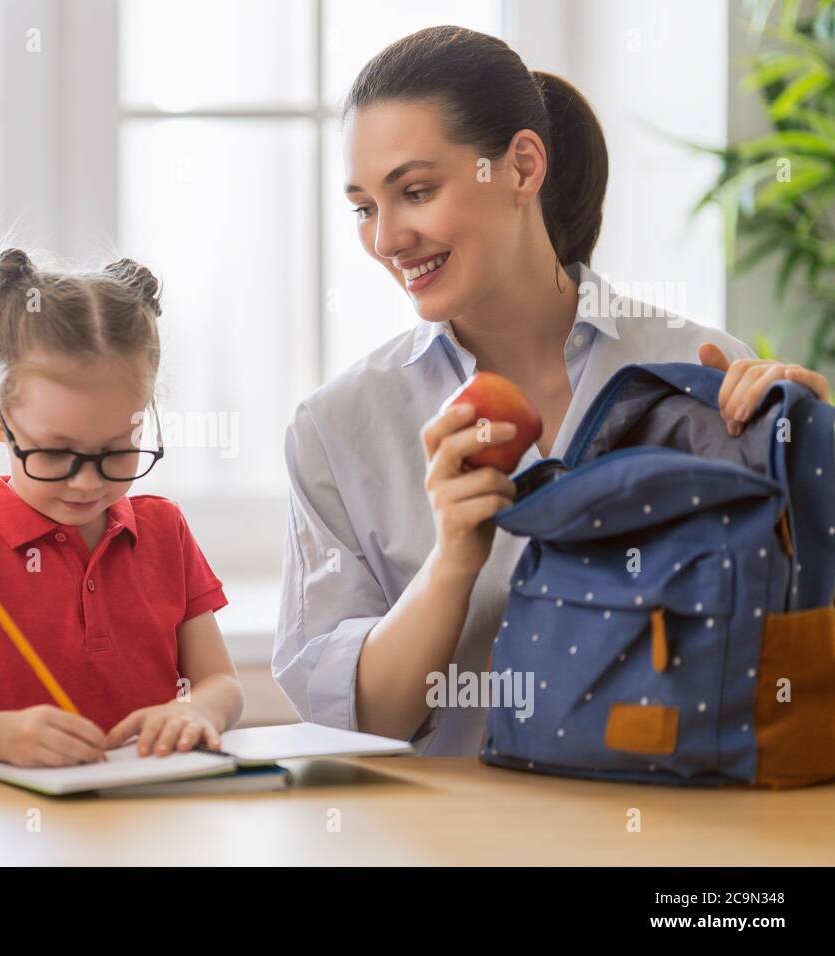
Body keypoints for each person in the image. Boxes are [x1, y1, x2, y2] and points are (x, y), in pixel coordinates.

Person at [274, 25, 831, 754]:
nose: (386, 239)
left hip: (677, 832)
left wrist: (808, 452)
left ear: (522, 167)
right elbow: (360, 722)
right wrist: (451, 563)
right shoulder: (336, 429)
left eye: (415, 191)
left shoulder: (698, 370)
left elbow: (784, 649)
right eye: (364, 207)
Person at [0, 249, 243, 767]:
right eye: (56, 453)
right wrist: (7, 736)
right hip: (16, 827)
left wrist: (198, 711)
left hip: (154, 813)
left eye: (116, 452)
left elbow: (222, 683)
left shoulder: (164, 528)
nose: (86, 483)